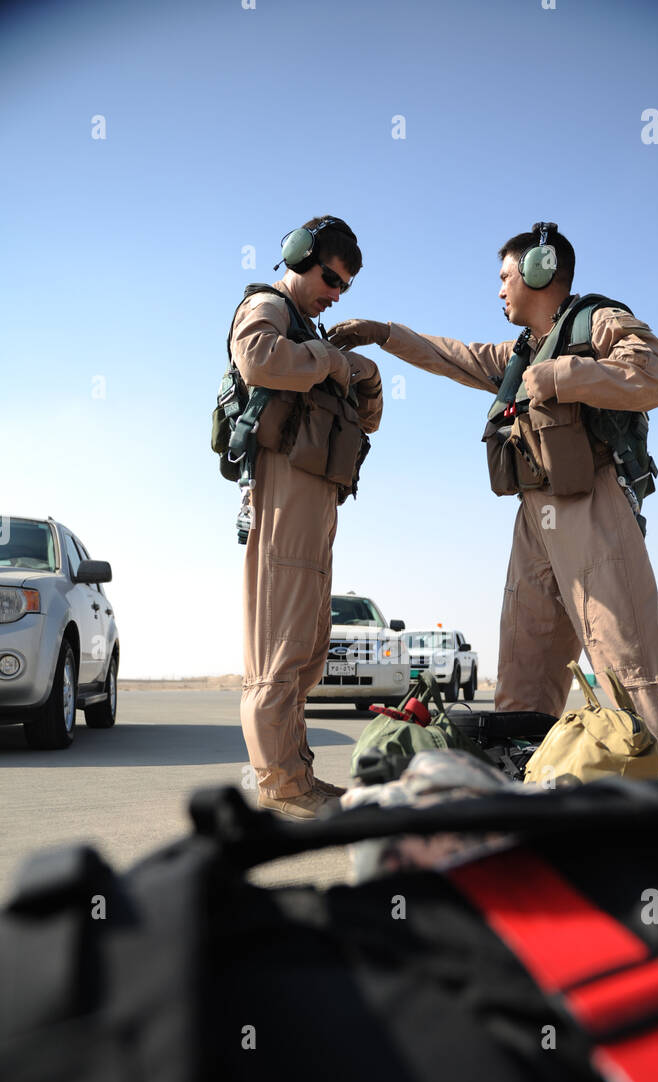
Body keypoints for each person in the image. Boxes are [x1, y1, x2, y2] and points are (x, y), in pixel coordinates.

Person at [327, 224, 658, 777]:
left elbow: (655, 374)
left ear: (540, 270)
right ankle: (527, 785)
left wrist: (561, 375)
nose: (501, 290)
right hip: (535, 516)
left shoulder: (595, 322)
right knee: (525, 665)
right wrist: (384, 333)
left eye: (506, 277)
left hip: (591, 506)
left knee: (631, 659)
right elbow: (450, 355)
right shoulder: (517, 355)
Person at [229, 216, 383, 817]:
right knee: (278, 649)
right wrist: (329, 359)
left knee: (307, 646)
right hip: (283, 490)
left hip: (317, 497)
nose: (336, 293)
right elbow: (258, 362)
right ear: (298, 257)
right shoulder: (266, 309)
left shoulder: (313, 337)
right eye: (329, 277)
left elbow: (367, 417)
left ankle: (297, 776)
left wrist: (361, 371)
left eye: (344, 286)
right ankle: (280, 785)